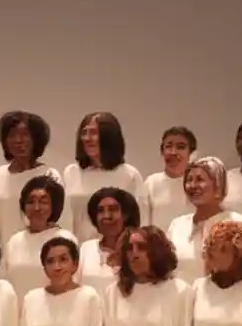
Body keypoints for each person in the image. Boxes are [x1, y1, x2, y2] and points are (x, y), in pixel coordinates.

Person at [62, 112, 144, 242]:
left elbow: (138, 221)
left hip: (117, 248)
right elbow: (64, 217)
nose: (87, 138)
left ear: (109, 137)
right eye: (84, 133)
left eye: (93, 133)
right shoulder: (71, 173)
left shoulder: (129, 174)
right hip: (78, 247)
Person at [167, 156, 242, 283]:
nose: (193, 186)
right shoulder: (177, 225)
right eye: (189, 180)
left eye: (200, 180)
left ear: (218, 185)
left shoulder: (235, 222)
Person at [0, 111, 59, 241]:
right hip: (6, 248)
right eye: (12, 135)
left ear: (36, 138)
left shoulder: (50, 175)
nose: (18, 140)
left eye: (24, 134)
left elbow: (59, 220)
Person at [2, 175, 78, 294]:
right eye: (30, 202)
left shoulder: (65, 238)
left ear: (54, 206)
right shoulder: (14, 241)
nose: (36, 208)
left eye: (43, 202)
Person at [77, 187, 141, 296]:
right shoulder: (86, 248)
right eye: (101, 211)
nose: (106, 216)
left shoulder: (138, 249)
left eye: (113, 209)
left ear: (126, 215)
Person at [138, 126, 197, 227]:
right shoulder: (151, 183)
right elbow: (143, 225)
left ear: (191, 153)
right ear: (162, 152)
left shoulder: (197, 185)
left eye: (180, 147)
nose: (173, 152)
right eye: (169, 146)